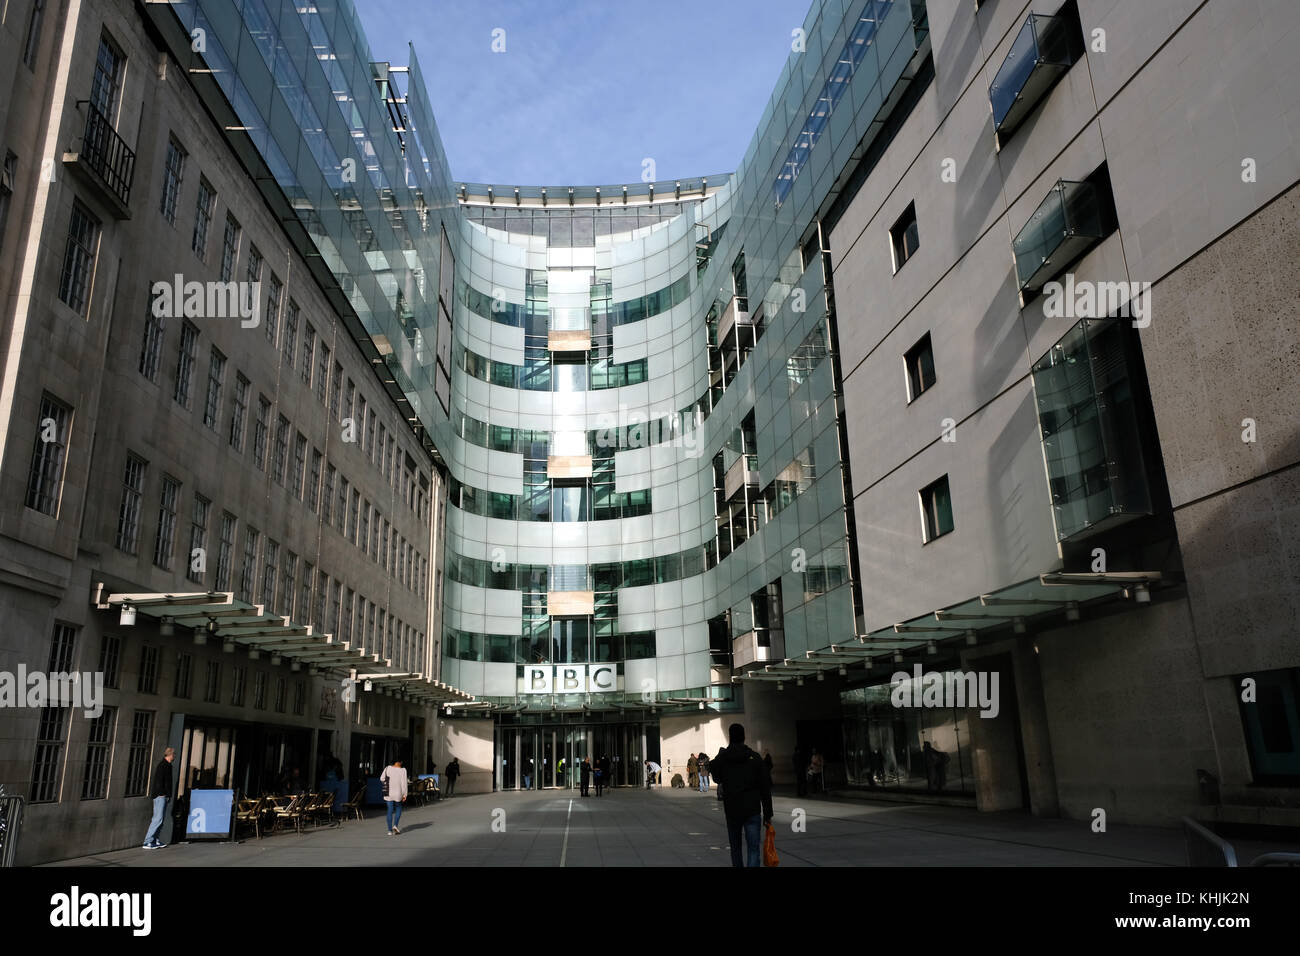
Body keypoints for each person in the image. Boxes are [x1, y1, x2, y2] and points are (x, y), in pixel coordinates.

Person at [709, 724, 774, 867]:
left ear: (730, 737)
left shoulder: (724, 757)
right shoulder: (755, 757)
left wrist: (721, 755)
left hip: (732, 809)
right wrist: (768, 813)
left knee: (736, 849)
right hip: (752, 810)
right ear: (744, 737)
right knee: (753, 849)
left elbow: (715, 774)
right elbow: (765, 787)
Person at [142, 747, 175, 849]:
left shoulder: (167, 766)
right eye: (174, 754)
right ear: (170, 755)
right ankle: (148, 841)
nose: (174, 756)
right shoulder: (163, 766)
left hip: (164, 796)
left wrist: (168, 795)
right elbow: (159, 781)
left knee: (161, 819)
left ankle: (155, 839)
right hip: (160, 796)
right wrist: (161, 794)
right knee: (157, 819)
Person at [381, 758, 408, 835]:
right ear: (400, 762)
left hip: (388, 792)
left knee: (390, 810)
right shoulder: (403, 770)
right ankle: (395, 825)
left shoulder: (387, 768)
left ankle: (389, 831)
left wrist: (389, 782)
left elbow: (382, 778)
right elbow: (404, 783)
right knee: (398, 808)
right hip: (398, 793)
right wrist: (405, 794)